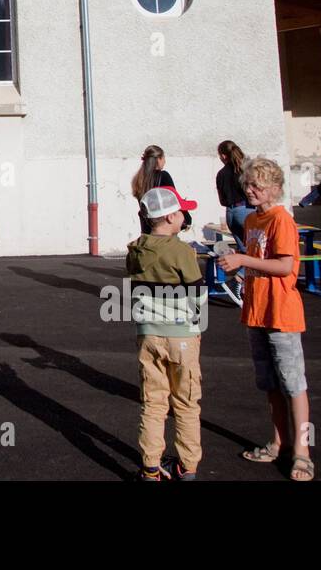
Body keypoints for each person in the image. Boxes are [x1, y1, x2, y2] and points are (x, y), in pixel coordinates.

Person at [219, 157, 314, 482]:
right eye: (247, 184)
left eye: (257, 186)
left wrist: (243, 259)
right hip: (258, 311)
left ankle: (302, 451)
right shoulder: (251, 221)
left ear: (274, 189)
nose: (250, 190)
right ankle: (279, 442)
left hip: (282, 313)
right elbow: (257, 263)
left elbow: (286, 266)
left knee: (293, 384)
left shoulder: (281, 220)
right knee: (270, 384)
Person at [127, 186, 206, 481]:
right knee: (185, 402)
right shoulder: (182, 251)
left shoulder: (136, 250)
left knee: (153, 402)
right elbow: (197, 295)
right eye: (182, 211)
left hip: (148, 333)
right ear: (172, 216)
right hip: (181, 335)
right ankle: (187, 465)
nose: (185, 215)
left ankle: (150, 467)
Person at [132, 146, 192, 234]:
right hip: (163, 226)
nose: (164, 161)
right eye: (164, 158)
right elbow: (173, 200)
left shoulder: (139, 178)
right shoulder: (163, 176)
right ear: (159, 159)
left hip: (147, 227)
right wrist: (187, 219)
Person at [215, 141, 253, 252]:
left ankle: (241, 269)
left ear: (223, 156)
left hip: (230, 212)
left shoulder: (221, 174)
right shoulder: (245, 170)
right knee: (255, 250)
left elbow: (222, 201)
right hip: (246, 209)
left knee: (243, 250)